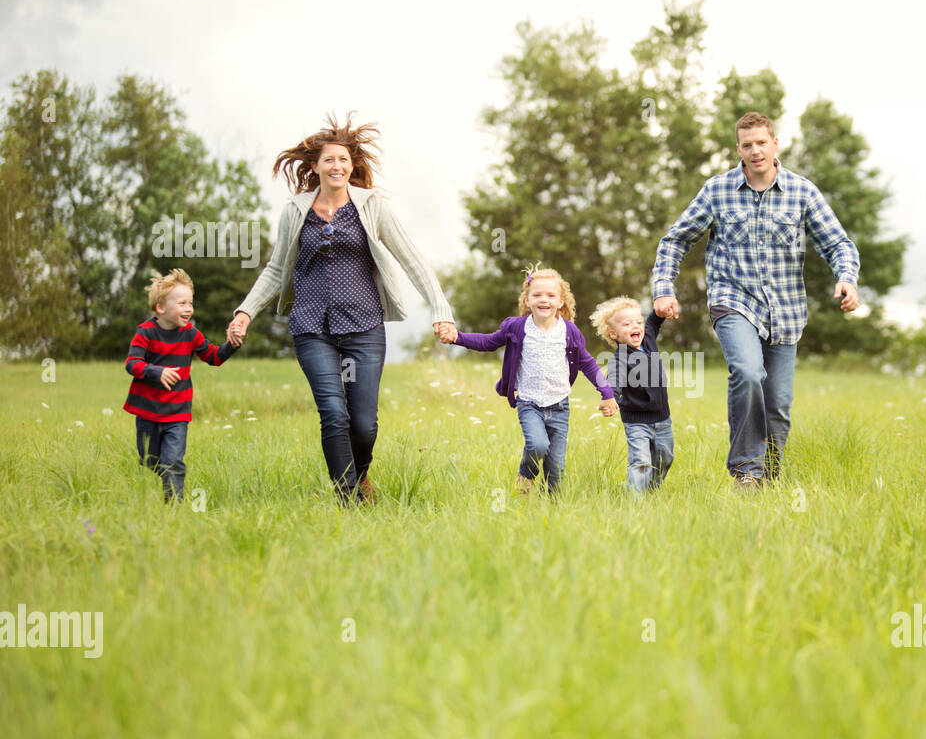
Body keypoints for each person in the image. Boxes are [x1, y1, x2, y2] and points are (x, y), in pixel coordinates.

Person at [225, 113, 455, 506]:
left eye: (344, 160)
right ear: (315, 166)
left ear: (352, 166)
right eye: (329, 160)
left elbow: (412, 259)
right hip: (312, 327)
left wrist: (440, 308)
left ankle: (359, 477)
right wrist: (245, 311)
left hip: (364, 326)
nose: (337, 166)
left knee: (363, 425)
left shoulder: (372, 207)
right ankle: (348, 499)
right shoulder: (295, 211)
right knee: (333, 412)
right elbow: (276, 267)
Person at [652, 111, 861, 492]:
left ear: (775, 144)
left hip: (786, 312)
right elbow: (676, 239)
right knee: (748, 373)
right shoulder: (717, 191)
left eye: (761, 142)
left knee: (778, 405)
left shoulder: (802, 192)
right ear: (738, 149)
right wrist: (664, 286)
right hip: (733, 301)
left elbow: (837, 243)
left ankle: (769, 476)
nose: (755, 151)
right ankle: (746, 472)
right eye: (747, 145)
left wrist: (846, 278)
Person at [438, 266, 616, 496]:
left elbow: (588, 363)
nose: (544, 300)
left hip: (559, 406)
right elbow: (488, 342)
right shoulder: (517, 327)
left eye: (551, 296)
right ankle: (526, 475)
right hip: (529, 402)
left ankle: (551, 507)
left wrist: (607, 393)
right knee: (538, 445)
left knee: (556, 470)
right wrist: (457, 337)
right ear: (527, 299)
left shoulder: (569, 332)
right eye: (537, 295)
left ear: (561, 301)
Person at [123, 268, 239, 502]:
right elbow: (131, 363)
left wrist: (232, 343)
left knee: (173, 461)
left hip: (177, 413)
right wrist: (157, 372)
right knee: (149, 460)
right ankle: (166, 481)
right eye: (182, 303)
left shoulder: (190, 334)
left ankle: (174, 504)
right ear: (161, 308)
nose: (189, 309)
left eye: (190, 303)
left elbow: (213, 357)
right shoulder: (145, 332)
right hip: (147, 412)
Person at [590, 296, 673, 494]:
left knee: (666, 458)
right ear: (614, 334)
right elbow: (614, 381)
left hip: (663, 419)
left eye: (638, 322)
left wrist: (662, 309)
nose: (635, 326)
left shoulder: (649, 338)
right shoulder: (619, 360)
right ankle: (635, 500)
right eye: (627, 324)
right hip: (636, 422)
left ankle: (651, 489)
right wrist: (609, 397)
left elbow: (654, 320)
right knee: (641, 462)